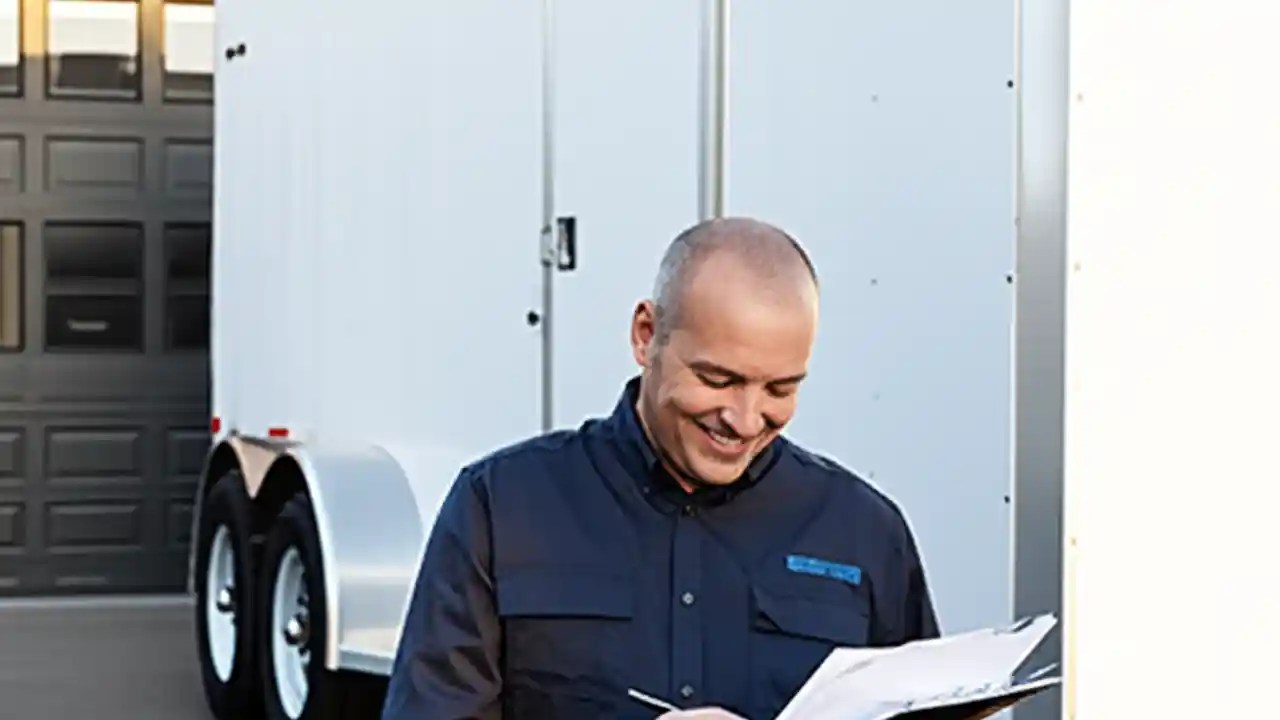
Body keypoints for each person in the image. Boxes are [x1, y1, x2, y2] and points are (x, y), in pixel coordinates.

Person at [380, 218, 940, 719]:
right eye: (717, 381)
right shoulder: (500, 510)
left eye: (779, 389)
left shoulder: (866, 534)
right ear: (646, 337)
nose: (745, 420)